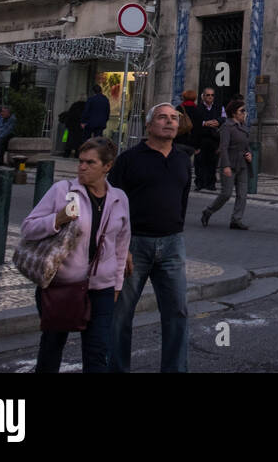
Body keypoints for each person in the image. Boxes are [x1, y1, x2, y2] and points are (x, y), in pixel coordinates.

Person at [20, 136, 130, 372]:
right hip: (62, 285)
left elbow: (122, 244)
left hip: (101, 288)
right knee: (52, 347)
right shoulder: (62, 190)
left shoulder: (119, 198)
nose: (82, 167)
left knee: (97, 351)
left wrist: (117, 285)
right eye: (80, 161)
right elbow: (28, 228)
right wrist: (57, 220)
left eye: (90, 163)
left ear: (107, 166)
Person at [108, 103, 191, 372]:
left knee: (177, 311)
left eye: (174, 118)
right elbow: (113, 206)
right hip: (134, 245)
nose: (169, 122)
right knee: (120, 315)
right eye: (162, 118)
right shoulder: (129, 160)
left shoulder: (182, 159)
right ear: (148, 125)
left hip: (172, 244)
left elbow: (183, 199)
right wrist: (121, 248)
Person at [202, 99, 251, 229]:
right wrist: (226, 166)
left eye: (244, 110)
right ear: (234, 113)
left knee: (242, 194)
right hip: (230, 162)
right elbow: (223, 148)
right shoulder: (227, 127)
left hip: (242, 164)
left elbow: (246, 144)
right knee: (226, 193)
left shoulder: (244, 126)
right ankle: (208, 211)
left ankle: (236, 219)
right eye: (242, 111)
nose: (244, 113)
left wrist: (249, 154)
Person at [192, 87, 224, 192]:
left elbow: (224, 119)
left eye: (212, 95)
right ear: (203, 96)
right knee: (200, 162)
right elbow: (194, 123)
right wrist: (204, 123)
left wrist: (218, 121)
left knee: (212, 163)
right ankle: (199, 183)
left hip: (214, 140)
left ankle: (211, 184)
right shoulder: (197, 108)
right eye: (208, 95)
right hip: (201, 139)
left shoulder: (219, 107)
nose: (210, 97)